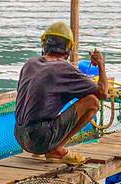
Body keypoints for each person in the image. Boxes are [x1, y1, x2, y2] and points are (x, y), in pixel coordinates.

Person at [13, 21, 106, 159]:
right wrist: (100, 64)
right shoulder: (63, 68)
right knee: (92, 102)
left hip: (20, 136)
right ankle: (56, 149)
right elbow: (103, 93)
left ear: (44, 45)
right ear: (68, 49)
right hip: (39, 138)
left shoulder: (29, 64)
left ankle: (45, 148)